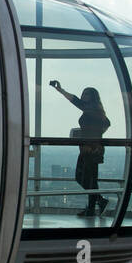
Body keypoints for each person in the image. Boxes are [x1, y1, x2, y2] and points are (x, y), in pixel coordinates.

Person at [51, 80, 110, 216]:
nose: (83, 96)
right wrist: (95, 135)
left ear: (93, 97)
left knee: (83, 177)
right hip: (90, 148)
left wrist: (60, 90)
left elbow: (75, 101)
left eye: (87, 94)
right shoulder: (96, 111)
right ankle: (96, 204)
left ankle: (95, 205)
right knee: (90, 179)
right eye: (83, 94)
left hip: (90, 149)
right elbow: (107, 123)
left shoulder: (92, 109)